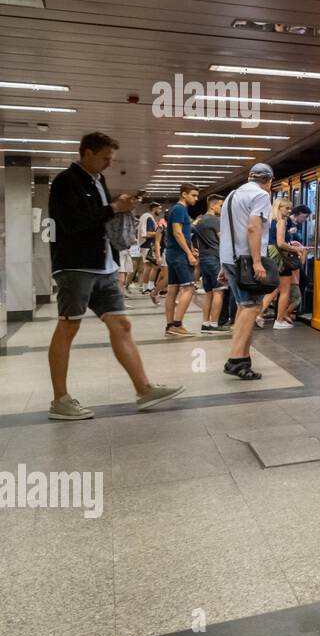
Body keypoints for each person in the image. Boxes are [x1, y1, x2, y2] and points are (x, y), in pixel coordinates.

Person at [46, 132, 184, 420]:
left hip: (103, 264)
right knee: (68, 327)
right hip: (75, 265)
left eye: (111, 158)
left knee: (121, 324)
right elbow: (71, 224)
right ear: (86, 152)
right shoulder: (65, 182)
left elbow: (99, 216)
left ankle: (144, 389)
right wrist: (112, 208)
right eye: (105, 157)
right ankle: (60, 400)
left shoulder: (98, 181)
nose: (109, 163)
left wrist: (118, 206)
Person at [220, 163, 275, 381]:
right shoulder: (261, 196)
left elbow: (225, 231)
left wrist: (223, 265)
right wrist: (256, 262)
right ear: (269, 181)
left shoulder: (232, 195)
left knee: (247, 306)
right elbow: (254, 227)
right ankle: (235, 359)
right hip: (246, 259)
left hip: (230, 259)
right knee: (250, 307)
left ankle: (242, 360)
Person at [257, 198, 307, 330]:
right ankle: (279, 321)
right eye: (286, 208)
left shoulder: (270, 221)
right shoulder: (281, 221)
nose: (289, 211)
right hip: (280, 257)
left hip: (271, 254)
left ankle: (258, 314)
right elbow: (280, 243)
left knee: (274, 289)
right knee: (285, 290)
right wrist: (296, 249)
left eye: (290, 208)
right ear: (279, 207)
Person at [162, 185, 200, 337]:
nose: (196, 199)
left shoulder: (175, 210)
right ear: (184, 194)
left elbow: (179, 233)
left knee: (173, 289)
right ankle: (177, 324)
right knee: (189, 288)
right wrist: (188, 254)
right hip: (178, 255)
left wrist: (191, 249)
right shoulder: (179, 209)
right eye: (193, 195)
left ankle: (170, 325)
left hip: (173, 253)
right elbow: (178, 233)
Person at [192, 193, 230, 334]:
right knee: (219, 292)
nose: (222, 209)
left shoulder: (200, 219)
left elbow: (189, 233)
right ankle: (214, 324)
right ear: (213, 205)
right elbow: (223, 241)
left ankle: (206, 323)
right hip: (215, 258)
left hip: (204, 259)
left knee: (208, 293)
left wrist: (193, 250)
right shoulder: (216, 220)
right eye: (221, 205)